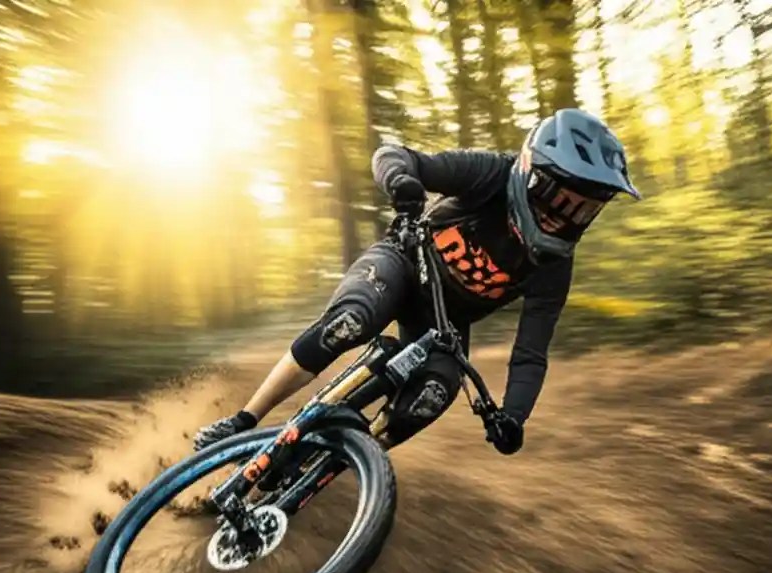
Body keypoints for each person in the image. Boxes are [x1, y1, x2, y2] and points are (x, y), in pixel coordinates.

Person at [193, 108, 640, 455]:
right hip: (402, 263)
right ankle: (243, 420)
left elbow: (530, 354)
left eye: (582, 210)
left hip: (443, 323)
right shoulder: (490, 174)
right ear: (529, 173)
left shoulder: (554, 267)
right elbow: (393, 154)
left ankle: (345, 461)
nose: (563, 216)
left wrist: (514, 416)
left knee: (432, 396)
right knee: (349, 323)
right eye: (558, 198)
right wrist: (402, 182)